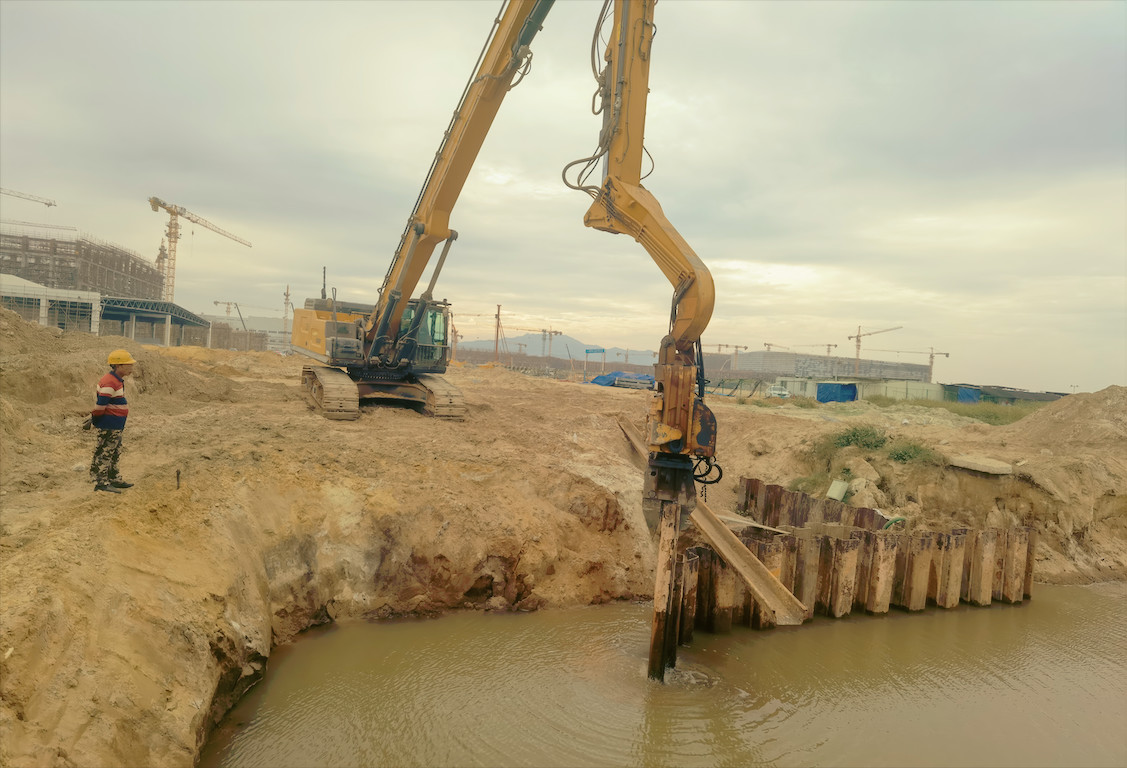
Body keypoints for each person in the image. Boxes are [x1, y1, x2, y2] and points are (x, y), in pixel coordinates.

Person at [89, 349, 136, 493]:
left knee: (115, 451)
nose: (131, 367)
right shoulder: (110, 382)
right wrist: (95, 419)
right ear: (118, 365)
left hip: (115, 424)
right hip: (109, 424)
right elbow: (100, 405)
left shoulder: (116, 381)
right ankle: (101, 483)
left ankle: (114, 478)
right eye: (128, 364)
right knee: (106, 452)